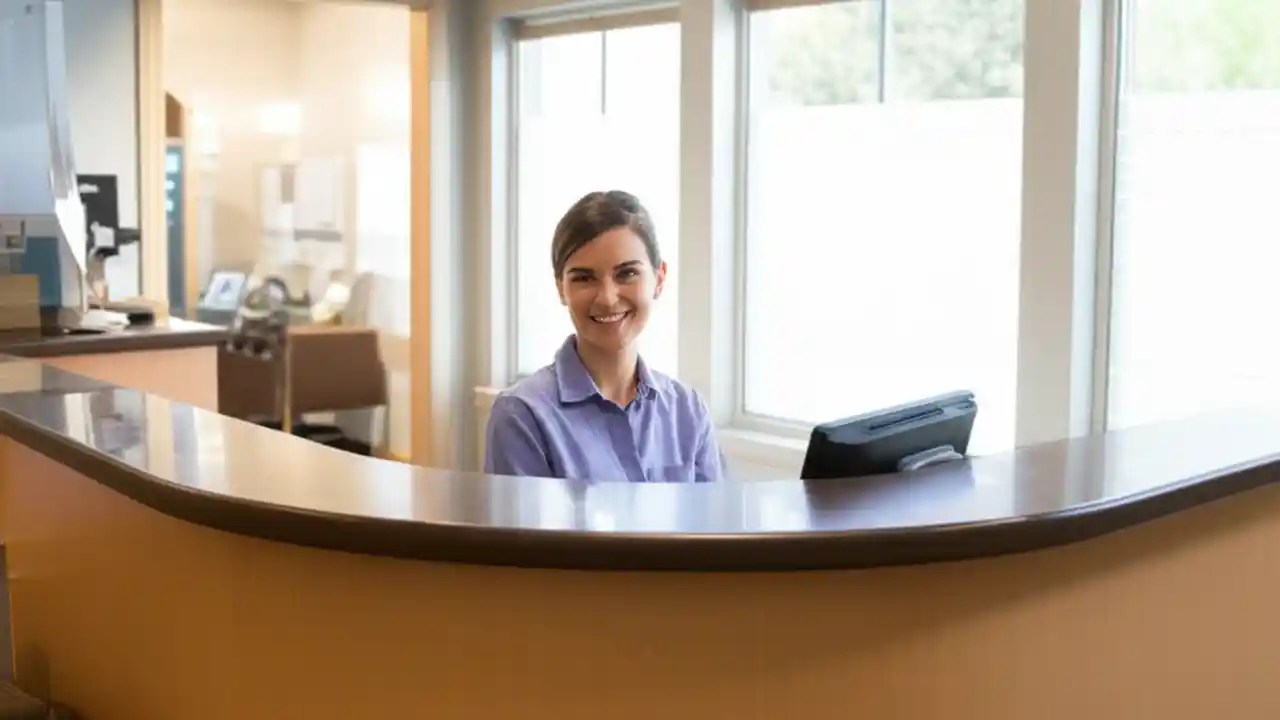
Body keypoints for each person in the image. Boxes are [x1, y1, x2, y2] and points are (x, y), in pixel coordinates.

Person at [484, 190, 725, 483]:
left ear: (659, 279)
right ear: (561, 288)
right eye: (584, 278)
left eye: (627, 274)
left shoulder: (688, 412)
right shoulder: (522, 416)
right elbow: (522, 529)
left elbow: (711, 526)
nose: (608, 299)